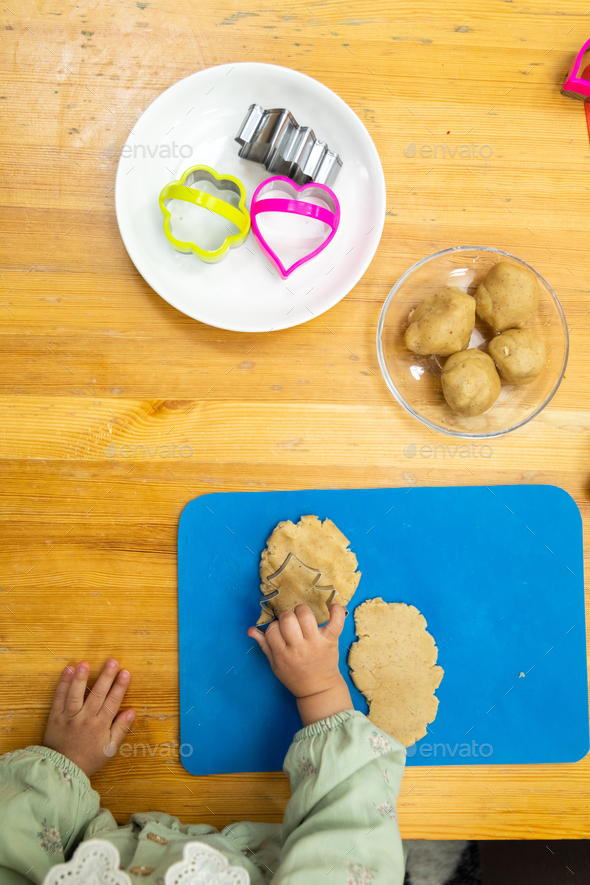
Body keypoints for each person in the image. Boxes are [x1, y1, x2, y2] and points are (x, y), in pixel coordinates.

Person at [0, 604, 406, 884]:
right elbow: (354, 830)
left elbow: (11, 851)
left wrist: (63, 763)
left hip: (90, 848)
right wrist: (321, 692)